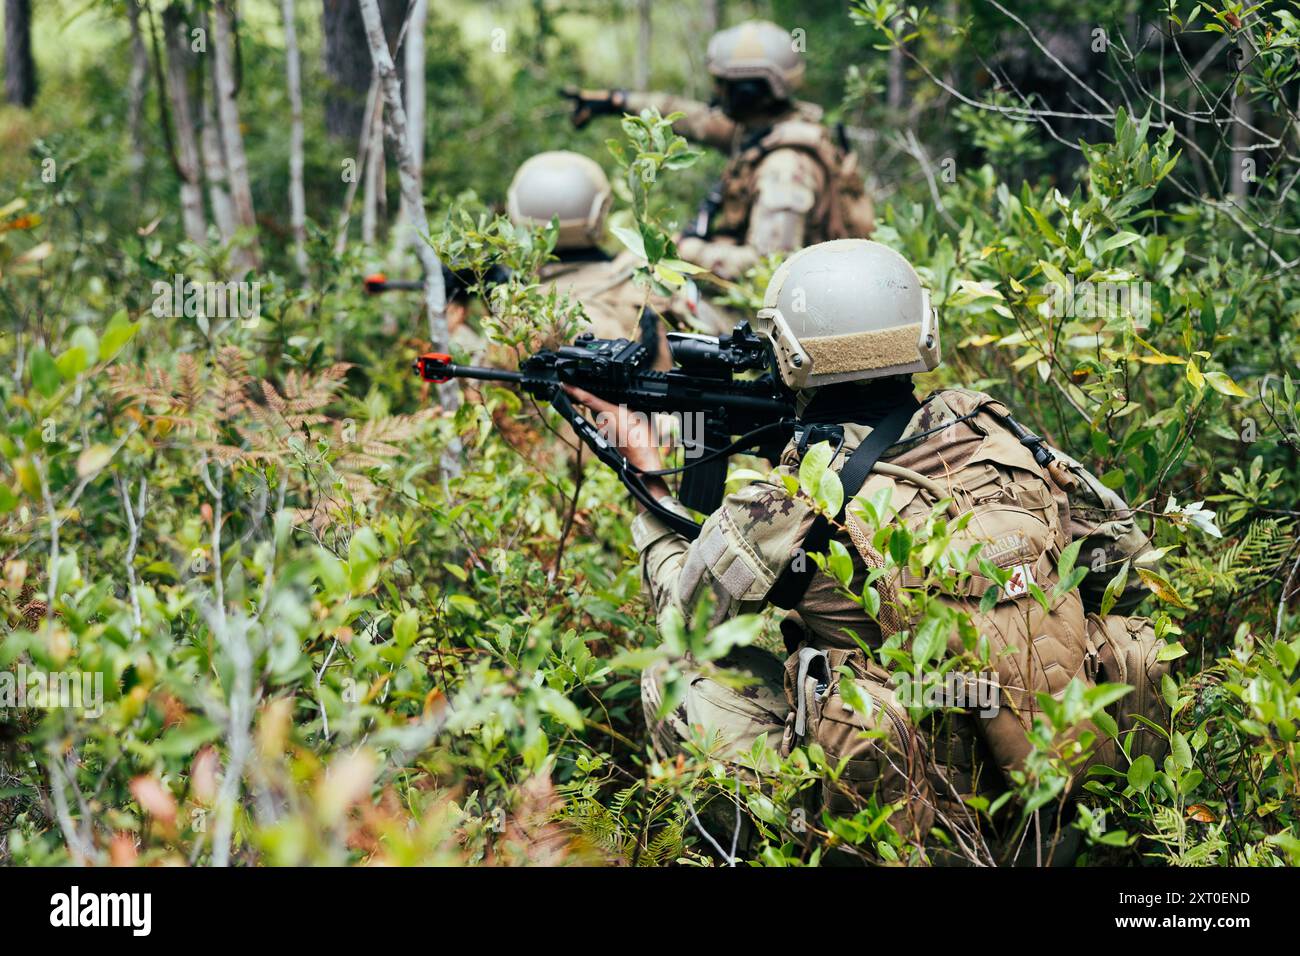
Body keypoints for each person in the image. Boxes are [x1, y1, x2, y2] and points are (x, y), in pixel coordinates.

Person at [566, 239, 1164, 864]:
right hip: (1061, 801)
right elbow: (1131, 564)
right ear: (921, 332)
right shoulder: (1000, 434)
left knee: (673, 673)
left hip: (902, 816)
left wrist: (647, 476)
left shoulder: (794, 497)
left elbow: (685, 619)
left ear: (787, 351)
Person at [564, 20, 876, 283]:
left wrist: (685, 251)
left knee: (638, 297)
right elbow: (694, 120)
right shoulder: (765, 130)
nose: (716, 91)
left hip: (764, 319)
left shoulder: (784, 168)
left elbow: (769, 267)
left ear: (745, 93)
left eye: (721, 83)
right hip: (741, 291)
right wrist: (617, 101)